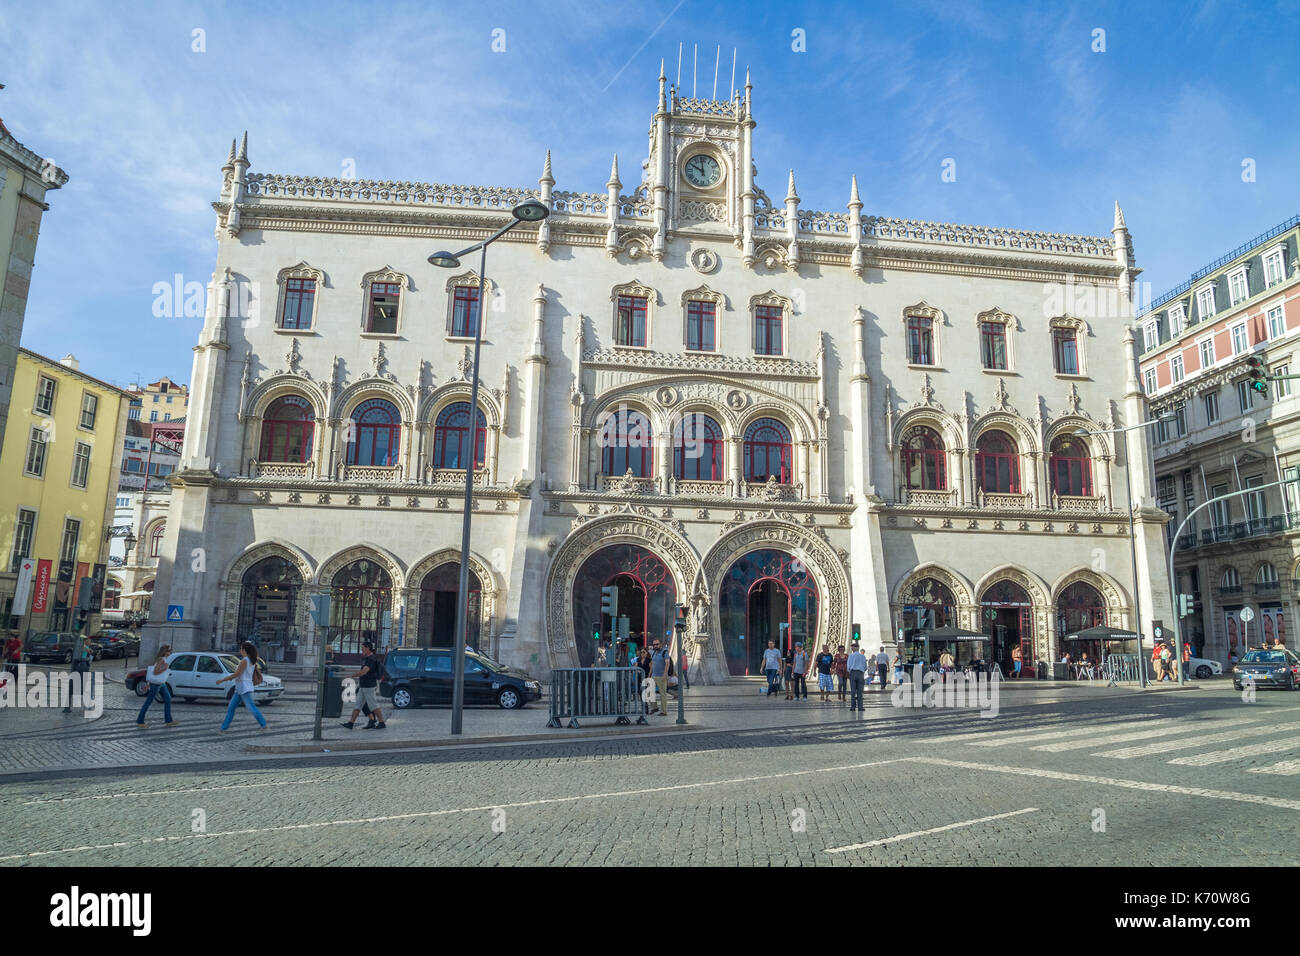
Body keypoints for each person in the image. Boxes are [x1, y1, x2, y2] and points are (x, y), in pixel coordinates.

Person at [216, 641, 268, 731]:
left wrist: (222, 680)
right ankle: (224, 728)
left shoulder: (245, 661)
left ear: (244, 650)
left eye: (241, 649)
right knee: (231, 707)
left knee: (251, 707)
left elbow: (237, 674)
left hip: (244, 687)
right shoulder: (250, 660)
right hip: (241, 687)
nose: (240, 650)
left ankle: (264, 725)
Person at [340, 640, 386, 729]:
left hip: (369, 686)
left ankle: (382, 723)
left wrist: (352, 675)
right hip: (363, 685)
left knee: (373, 705)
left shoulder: (371, 659)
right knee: (358, 705)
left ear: (368, 648)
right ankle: (351, 723)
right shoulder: (367, 658)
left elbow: (364, 671)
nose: (362, 650)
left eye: (363, 648)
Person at [135, 644, 176, 727]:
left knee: (168, 699)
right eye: (169, 650)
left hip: (161, 684)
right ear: (165, 652)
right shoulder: (161, 660)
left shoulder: (165, 659)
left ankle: (168, 720)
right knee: (148, 702)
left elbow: (152, 675)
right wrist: (164, 668)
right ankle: (140, 721)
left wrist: (148, 683)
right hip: (156, 685)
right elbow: (155, 673)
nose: (171, 652)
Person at [649, 638, 671, 716]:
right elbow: (652, 664)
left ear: (660, 644)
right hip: (654, 676)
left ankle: (664, 711)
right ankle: (654, 707)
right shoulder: (654, 653)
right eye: (654, 644)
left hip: (661, 676)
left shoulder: (665, 652)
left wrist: (665, 675)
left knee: (663, 694)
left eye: (657, 644)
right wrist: (649, 674)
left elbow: (667, 664)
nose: (655, 646)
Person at [846, 643, 868, 711]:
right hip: (860, 673)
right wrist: (862, 671)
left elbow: (848, 666)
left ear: (856, 648)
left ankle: (853, 707)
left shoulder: (851, 656)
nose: (852, 649)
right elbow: (865, 667)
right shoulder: (862, 656)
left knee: (853, 691)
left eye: (852, 647)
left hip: (853, 673)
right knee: (860, 691)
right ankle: (860, 707)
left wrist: (850, 672)